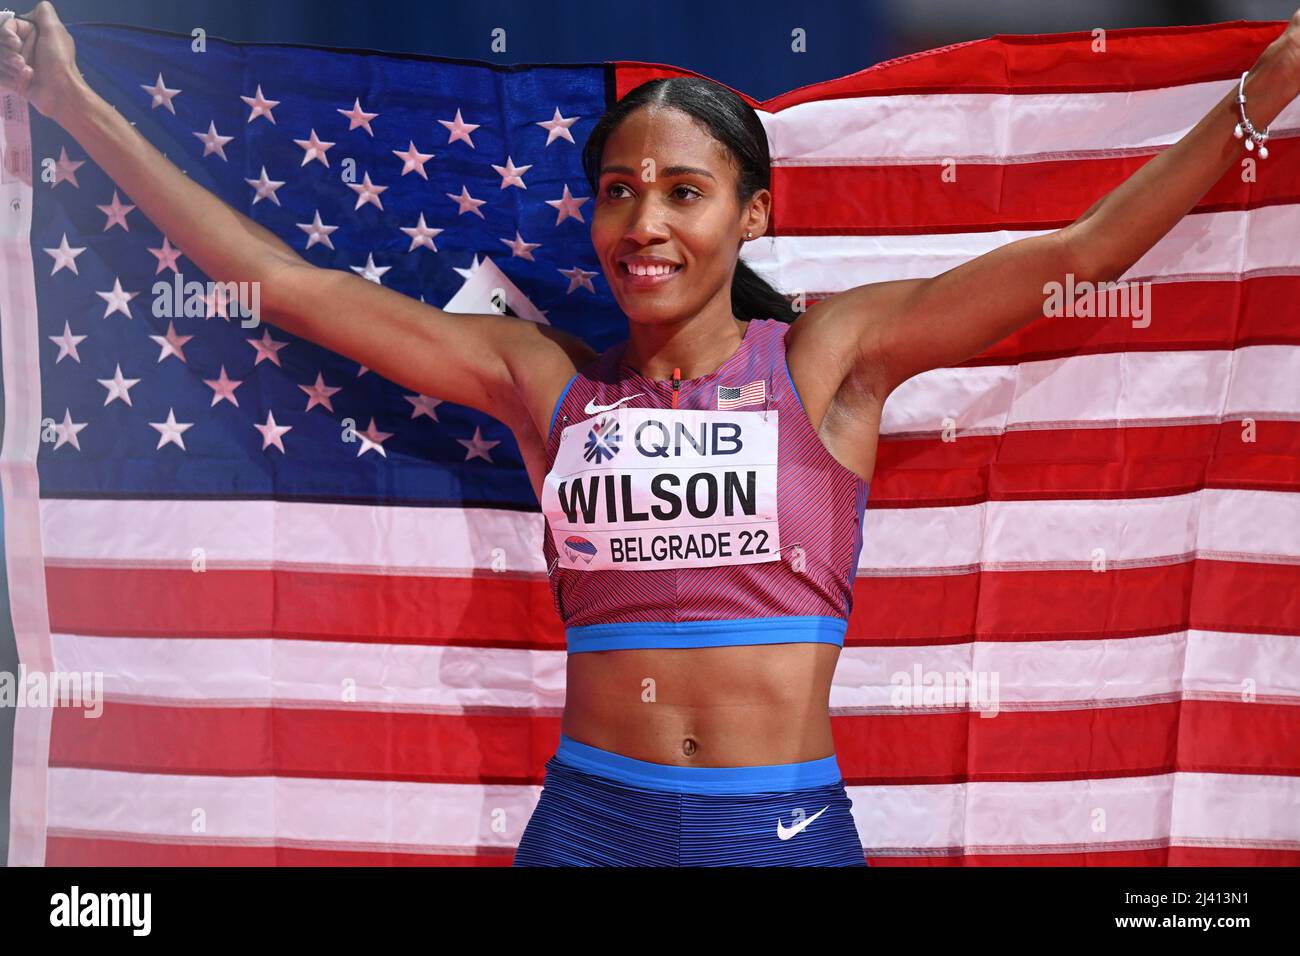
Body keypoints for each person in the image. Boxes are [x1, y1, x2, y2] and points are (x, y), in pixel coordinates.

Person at [3, 2, 1298, 866]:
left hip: (777, 831)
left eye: (687, 191)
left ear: (754, 217)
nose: (647, 223)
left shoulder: (833, 362)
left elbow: (1081, 252)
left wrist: (1254, 102)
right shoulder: (539, 380)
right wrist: (74, 109)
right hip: (589, 826)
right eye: (620, 192)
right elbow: (292, 290)